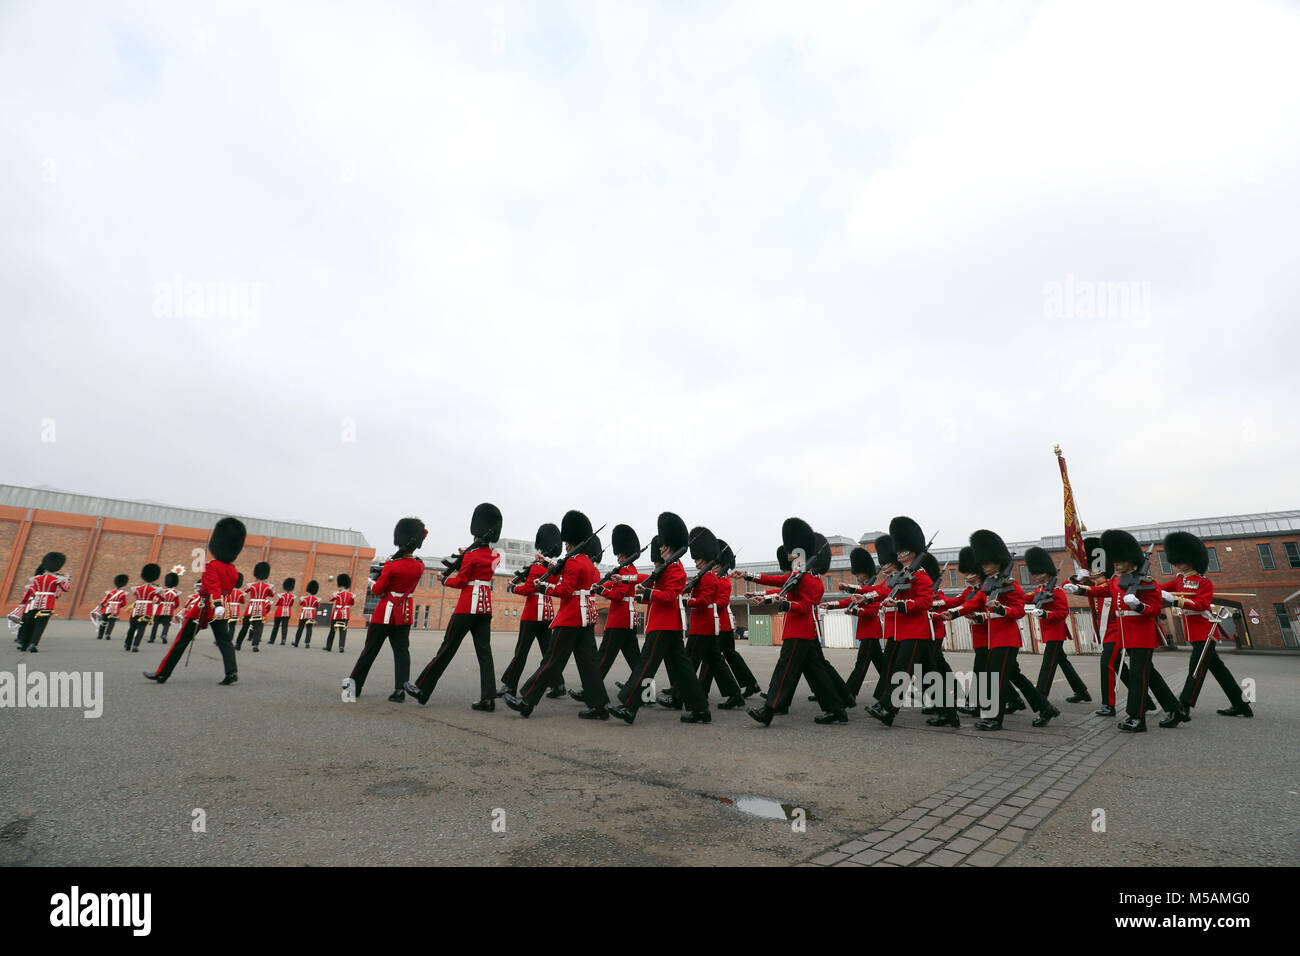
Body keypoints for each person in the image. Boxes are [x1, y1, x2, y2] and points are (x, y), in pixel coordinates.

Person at [942, 529, 1059, 731]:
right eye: (983, 563)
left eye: (988, 562)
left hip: (1006, 639)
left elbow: (1020, 610)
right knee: (1016, 678)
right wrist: (953, 613)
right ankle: (1045, 707)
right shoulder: (989, 584)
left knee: (994, 677)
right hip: (993, 639)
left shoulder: (1011, 585)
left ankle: (994, 718)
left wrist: (1001, 609)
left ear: (998, 561)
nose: (984, 566)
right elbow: (973, 602)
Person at [604, 512, 711, 725]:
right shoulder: (668, 567)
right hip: (667, 627)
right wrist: (625, 577)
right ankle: (700, 710)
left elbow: (670, 596)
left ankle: (628, 707)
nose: (660, 549)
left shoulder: (675, 569)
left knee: (645, 666)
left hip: (664, 626)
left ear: (669, 547)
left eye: (662, 546)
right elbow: (648, 578)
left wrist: (646, 593)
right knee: (684, 671)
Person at [503, 510, 612, 720]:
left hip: (571, 617)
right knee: (589, 665)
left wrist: (542, 586)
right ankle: (600, 706)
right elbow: (565, 575)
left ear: (569, 542)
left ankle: (526, 700)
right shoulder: (586, 562)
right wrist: (549, 565)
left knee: (552, 661)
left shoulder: (573, 562)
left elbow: (565, 590)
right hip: (586, 617)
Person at [740, 518, 846, 726]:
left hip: (800, 632)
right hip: (800, 632)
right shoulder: (799, 575)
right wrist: (749, 577)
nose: (789, 556)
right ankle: (837, 709)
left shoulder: (811, 580)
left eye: (792, 552)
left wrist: (785, 604)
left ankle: (768, 710)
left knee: (784, 671)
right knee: (817, 674)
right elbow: (778, 583)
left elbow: (805, 607)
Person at [1077, 529, 1185, 732]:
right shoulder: (1116, 580)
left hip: (1142, 634)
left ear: (1131, 559)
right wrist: (1081, 590)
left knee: (1137, 676)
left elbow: (1155, 609)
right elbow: (1102, 591)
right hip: (1127, 634)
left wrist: (1139, 606)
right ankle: (1176, 710)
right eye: (1114, 560)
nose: (1115, 563)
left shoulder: (1146, 581)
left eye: (1120, 560)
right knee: (1148, 674)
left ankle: (1136, 717)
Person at [405, 503, 502, 709]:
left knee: (447, 648)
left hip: (467, 607)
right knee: (485, 653)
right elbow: (484, 564)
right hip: (485, 607)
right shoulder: (495, 556)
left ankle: (423, 688)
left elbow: (460, 581)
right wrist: (467, 554)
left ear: (476, 533)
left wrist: (444, 580)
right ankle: (488, 698)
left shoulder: (471, 554)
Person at [143, 517, 246, 685]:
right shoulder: (233, 571)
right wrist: (220, 604)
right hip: (220, 609)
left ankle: (162, 673)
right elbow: (224, 588)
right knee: (225, 642)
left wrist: (216, 603)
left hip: (204, 608)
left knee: (181, 641)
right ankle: (231, 672)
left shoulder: (211, 566)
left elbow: (213, 588)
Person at [1160, 531, 1252, 718]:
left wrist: (1176, 601)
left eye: (1181, 558)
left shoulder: (1203, 582)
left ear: (1192, 559)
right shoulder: (1180, 580)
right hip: (1194, 633)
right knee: (1219, 670)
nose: (1177, 562)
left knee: (1196, 669)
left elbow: (1201, 604)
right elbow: (1159, 589)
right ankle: (1241, 705)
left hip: (1205, 632)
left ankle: (1183, 706)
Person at [1066, 535, 1155, 717]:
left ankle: (1109, 704)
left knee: (1110, 664)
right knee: (1124, 667)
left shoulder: (1115, 581)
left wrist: (1091, 581)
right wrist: (1078, 580)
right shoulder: (1106, 580)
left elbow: (1103, 591)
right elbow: (1069, 587)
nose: (1092, 570)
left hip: (1118, 627)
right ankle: (1145, 701)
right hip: (1106, 628)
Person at [656, 527, 746, 710]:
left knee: (687, 665)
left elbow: (705, 601)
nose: (695, 562)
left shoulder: (709, 578)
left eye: (697, 559)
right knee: (717, 663)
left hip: (702, 627)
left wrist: (688, 601)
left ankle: (677, 697)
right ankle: (735, 694)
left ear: (704, 558)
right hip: (705, 627)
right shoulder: (706, 576)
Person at [866, 516, 943, 727]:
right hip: (904, 632)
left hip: (916, 632)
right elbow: (883, 590)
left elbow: (926, 602)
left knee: (902, 671)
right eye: (898, 552)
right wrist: (865, 597)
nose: (900, 554)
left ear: (913, 552)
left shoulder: (921, 576)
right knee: (929, 674)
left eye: (903, 551)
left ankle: (887, 709)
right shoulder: (901, 575)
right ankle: (948, 713)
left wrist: (900, 605)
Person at [345, 518, 427, 701]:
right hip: (403, 614)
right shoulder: (420, 566)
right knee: (402, 653)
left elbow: (378, 590)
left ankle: (354, 688)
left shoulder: (392, 564)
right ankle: (400, 691)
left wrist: (372, 581)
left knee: (369, 652)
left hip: (384, 614)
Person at [500, 522, 565, 698]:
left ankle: (510, 686)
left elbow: (529, 589)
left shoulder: (537, 567)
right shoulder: (554, 569)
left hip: (531, 614)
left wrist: (513, 587)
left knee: (521, 652)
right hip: (547, 614)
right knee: (547, 653)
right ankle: (558, 684)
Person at [1023, 546, 1091, 703]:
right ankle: (1081, 692)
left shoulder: (1057, 591)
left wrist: (1045, 614)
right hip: (1048, 632)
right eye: (1035, 573)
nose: (1036, 576)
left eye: (1039, 573)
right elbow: (1024, 597)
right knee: (1063, 663)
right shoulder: (1040, 589)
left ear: (1047, 573)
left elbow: (1063, 613)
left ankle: (1040, 698)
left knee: (1048, 666)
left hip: (1056, 633)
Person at [829, 546, 885, 703]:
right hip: (868, 633)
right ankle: (895, 688)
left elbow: (871, 612)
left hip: (870, 632)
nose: (857, 577)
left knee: (861, 666)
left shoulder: (872, 589)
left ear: (865, 572)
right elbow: (849, 600)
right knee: (883, 667)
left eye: (858, 574)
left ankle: (848, 694)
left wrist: (855, 612)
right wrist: (831, 605)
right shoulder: (864, 588)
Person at [708, 540, 761, 698]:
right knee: (723, 656)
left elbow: (722, 603)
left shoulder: (722, 580)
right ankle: (750, 684)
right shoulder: (717, 577)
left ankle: (738, 689)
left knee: (722, 657)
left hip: (722, 625)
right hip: (719, 623)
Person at [15, 553, 70, 653]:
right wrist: (67, 579)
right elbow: (66, 589)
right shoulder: (57, 579)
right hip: (47, 604)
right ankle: (33, 644)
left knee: (29, 624)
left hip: (34, 603)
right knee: (40, 625)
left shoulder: (36, 579)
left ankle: (23, 644)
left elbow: (31, 590)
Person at [124, 564, 162, 652]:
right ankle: (135, 645)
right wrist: (158, 588)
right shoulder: (155, 589)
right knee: (141, 628)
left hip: (136, 610)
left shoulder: (136, 588)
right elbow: (160, 599)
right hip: (147, 611)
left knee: (132, 628)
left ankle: (127, 644)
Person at [237, 562, 274, 651]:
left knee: (245, 626)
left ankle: (238, 644)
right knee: (258, 627)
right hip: (261, 608)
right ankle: (255, 645)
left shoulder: (251, 585)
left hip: (251, 607)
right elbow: (271, 595)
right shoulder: (268, 586)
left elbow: (244, 593)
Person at [149, 571, 183, 645]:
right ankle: (164, 635)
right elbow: (177, 603)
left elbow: (157, 600)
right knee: (166, 624)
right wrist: (173, 607)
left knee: (155, 624)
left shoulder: (162, 591)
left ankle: (152, 638)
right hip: (169, 610)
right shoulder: (176, 593)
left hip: (160, 610)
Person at [323, 574, 354, 651]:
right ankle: (341, 647)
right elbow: (352, 603)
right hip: (345, 614)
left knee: (332, 630)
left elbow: (330, 599)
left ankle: (328, 646)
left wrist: (335, 594)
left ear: (342, 586)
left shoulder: (337, 594)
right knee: (343, 630)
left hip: (337, 614)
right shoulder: (351, 595)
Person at [95, 574, 130, 642]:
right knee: (112, 622)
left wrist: (101, 604)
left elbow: (104, 600)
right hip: (115, 610)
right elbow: (124, 603)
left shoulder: (110, 592)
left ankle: (100, 635)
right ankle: (108, 634)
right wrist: (119, 606)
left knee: (103, 622)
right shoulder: (123, 593)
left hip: (107, 608)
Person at [268, 579, 296, 646]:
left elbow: (278, 603)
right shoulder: (292, 596)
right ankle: (283, 640)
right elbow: (291, 604)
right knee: (284, 627)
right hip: (287, 612)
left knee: (276, 626)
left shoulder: (281, 595)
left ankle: (272, 640)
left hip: (279, 612)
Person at [293, 580, 321, 647]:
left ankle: (296, 642)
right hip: (311, 615)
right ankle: (307, 643)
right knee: (309, 629)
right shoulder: (317, 599)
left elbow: (300, 604)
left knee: (300, 628)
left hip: (304, 615)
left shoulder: (304, 598)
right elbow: (318, 606)